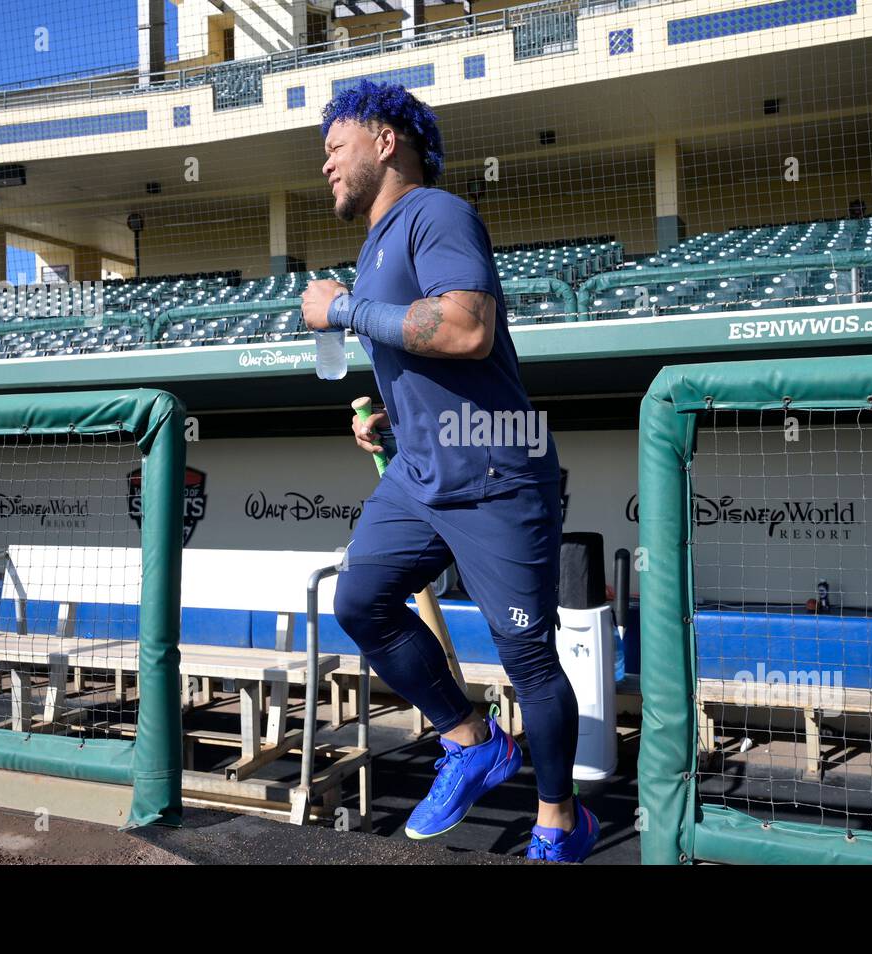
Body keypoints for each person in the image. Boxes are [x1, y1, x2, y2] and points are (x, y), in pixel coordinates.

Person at [301, 81, 598, 863]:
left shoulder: (435, 213)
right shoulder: (373, 246)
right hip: (420, 472)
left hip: (498, 469)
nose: (325, 161)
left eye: (337, 144)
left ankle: (559, 823)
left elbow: (466, 330)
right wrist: (392, 421)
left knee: (527, 658)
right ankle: (472, 742)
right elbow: (430, 364)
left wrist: (342, 310)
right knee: (361, 601)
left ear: (387, 140)